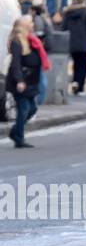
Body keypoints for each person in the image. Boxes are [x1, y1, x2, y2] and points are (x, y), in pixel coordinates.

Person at [6, 16, 41, 148]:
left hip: (30, 81)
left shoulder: (30, 39)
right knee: (24, 108)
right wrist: (19, 80)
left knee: (32, 109)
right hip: (20, 81)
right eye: (31, 23)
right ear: (25, 25)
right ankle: (19, 138)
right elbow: (16, 63)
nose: (33, 24)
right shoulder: (17, 41)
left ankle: (15, 131)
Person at [60, 0, 86, 95]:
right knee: (83, 65)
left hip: (72, 43)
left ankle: (75, 82)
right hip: (84, 43)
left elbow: (63, 27)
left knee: (76, 64)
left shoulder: (68, 12)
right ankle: (80, 87)